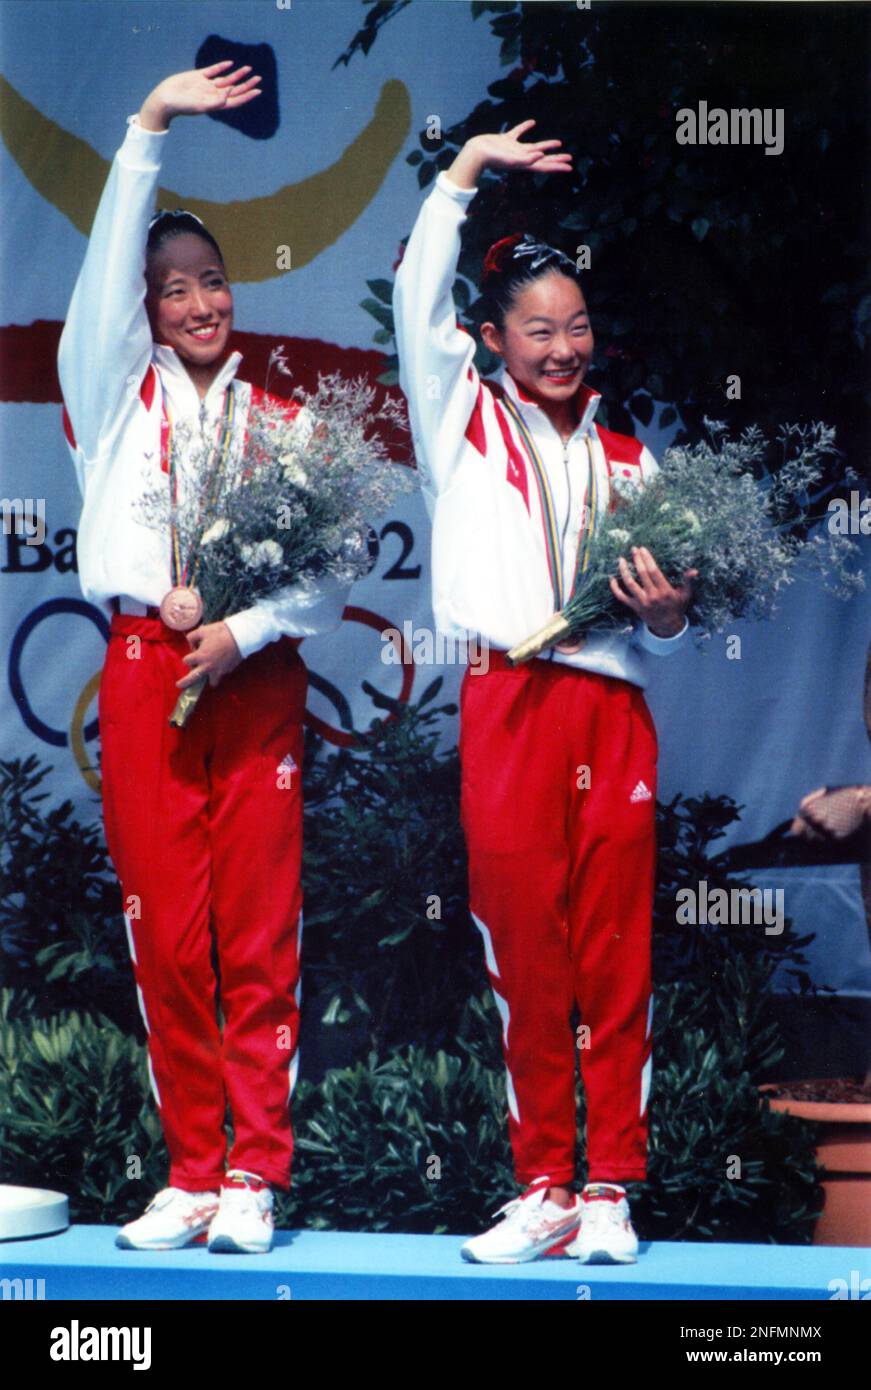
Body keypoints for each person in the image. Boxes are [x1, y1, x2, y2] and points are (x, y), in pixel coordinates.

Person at [57, 63, 349, 1254]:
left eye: (213, 281)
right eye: (172, 288)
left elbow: (327, 582)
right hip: (142, 670)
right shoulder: (111, 395)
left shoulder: (287, 426)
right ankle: (190, 1167)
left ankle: (254, 1178)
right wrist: (150, 127)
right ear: (144, 305)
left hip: (254, 678)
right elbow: (102, 282)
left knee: (258, 924)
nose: (197, 302)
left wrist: (245, 629)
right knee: (168, 931)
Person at [393, 122, 694, 1264]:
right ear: (492, 339)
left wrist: (665, 614)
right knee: (525, 947)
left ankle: (611, 1187)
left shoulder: (634, 461)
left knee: (614, 947)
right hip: (507, 700)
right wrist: (464, 174)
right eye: (537, 329)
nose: (562, 347)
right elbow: (417, 291)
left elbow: (665, 630)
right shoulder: (460, 423)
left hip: (609, 711)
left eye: (575, 328)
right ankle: (544, 1185)